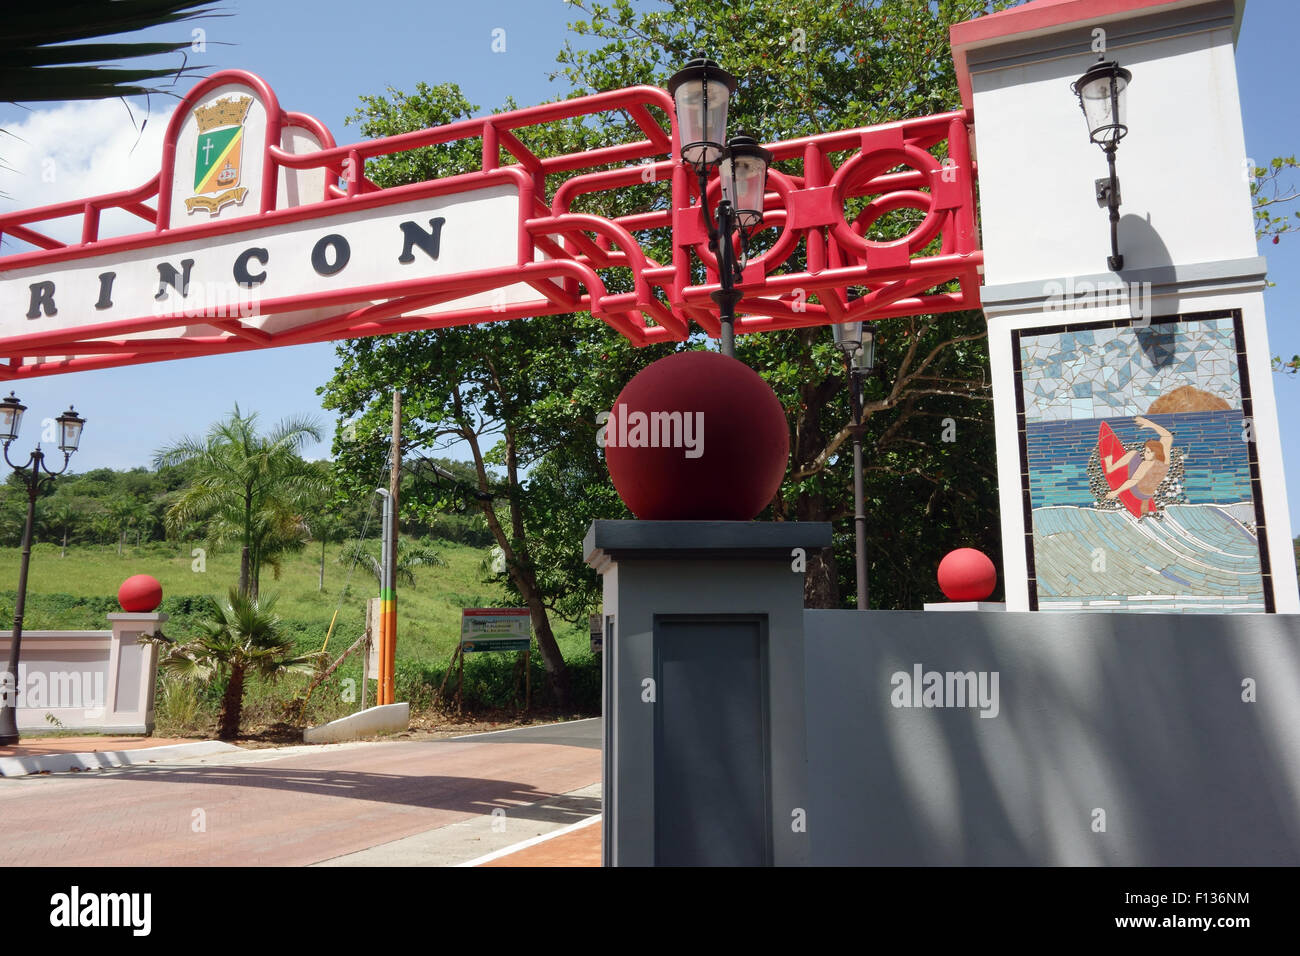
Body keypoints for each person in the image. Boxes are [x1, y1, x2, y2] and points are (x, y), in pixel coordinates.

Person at [1102, 415, 1173, 517]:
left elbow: (1133, 481)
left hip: (1137, 491)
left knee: (1134, 453)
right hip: (1148, 495)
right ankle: (1145, 505)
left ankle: (1111, 468)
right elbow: (1167, 436)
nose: (1144, 454)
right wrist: (1151, 424)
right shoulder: (1165, 463)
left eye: (1148, 452)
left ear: (1156, 453)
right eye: (1145, 451)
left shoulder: (1146, 464)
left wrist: (1116, 492)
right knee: (1146, 483)